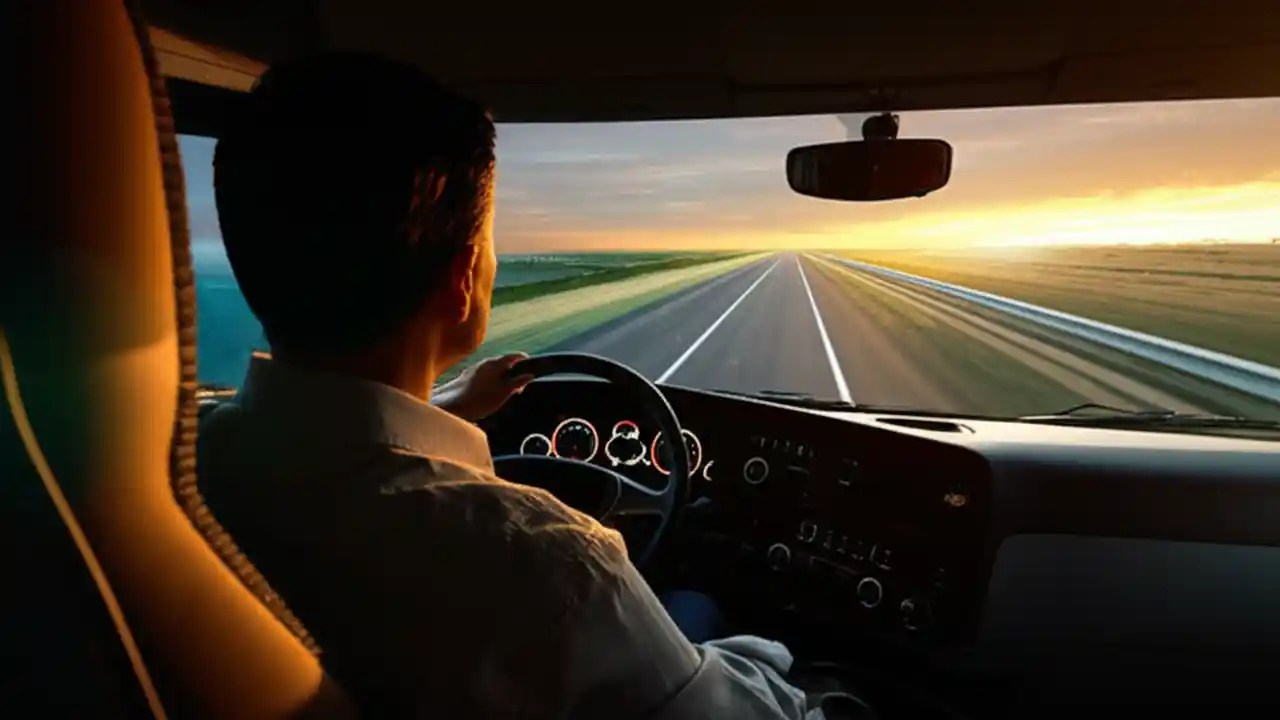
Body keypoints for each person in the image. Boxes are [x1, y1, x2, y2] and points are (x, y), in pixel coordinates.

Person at [198, 52, 835, 719]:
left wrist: (447, 408)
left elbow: (346, 451)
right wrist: (785, 668)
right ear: (465, 273)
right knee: (716, 617)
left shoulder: (187, 460)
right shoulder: (552, 567)